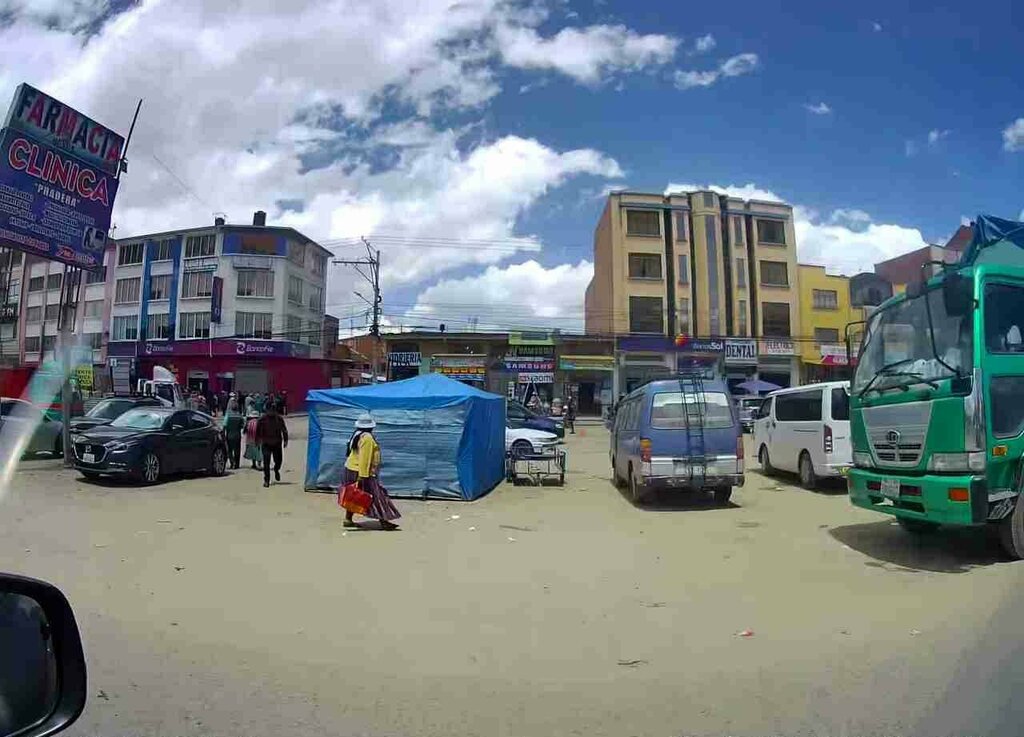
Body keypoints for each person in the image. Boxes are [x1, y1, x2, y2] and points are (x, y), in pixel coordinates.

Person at [342, 413, 400, 531]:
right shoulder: (367, 438)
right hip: (361, 472)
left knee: (353, 494)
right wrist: (362, 477)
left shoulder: (357, 434)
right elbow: (365, 458)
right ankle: (384, 521)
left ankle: (348, 519)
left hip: (351, 468)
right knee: (377, 496)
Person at [255, 403, 288, 488]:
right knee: (266, 463)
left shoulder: (279, 419)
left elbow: (284, 430)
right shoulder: (262, 419)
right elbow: (257, 431)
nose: (271, 412)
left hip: (277, 443)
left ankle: (276, 469)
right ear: (267, 410)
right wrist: (257, 441)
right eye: (270, 410)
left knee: (279, 461)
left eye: (273, 410)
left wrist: (285, 440)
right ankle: (266, 480)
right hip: (266, 443)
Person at [222, 396, 244, 469]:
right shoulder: (240, 415)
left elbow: (224, 425)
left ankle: (232, 463)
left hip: (229, 435)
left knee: (230, 450)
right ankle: (237, 464)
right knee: (237, 450)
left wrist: (223, 434)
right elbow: (242, 425)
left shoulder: (228, 415)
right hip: (237, 435)